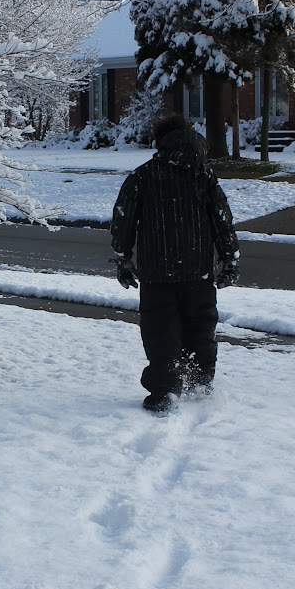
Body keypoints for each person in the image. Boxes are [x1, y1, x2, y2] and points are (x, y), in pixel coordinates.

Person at [111, 112, 240, 413]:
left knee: (160, 331)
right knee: (200, 326)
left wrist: (123, 258)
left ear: (161, 143)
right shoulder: (204, 176)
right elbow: (223, 220)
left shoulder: (143, 176)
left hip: (157, 273)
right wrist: (229, 257)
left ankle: (165, 389)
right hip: (199, 271)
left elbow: (123, 220)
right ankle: (199, 381)